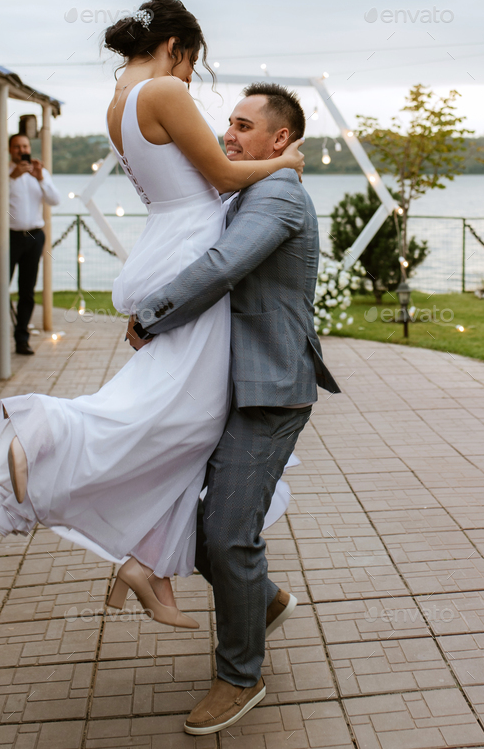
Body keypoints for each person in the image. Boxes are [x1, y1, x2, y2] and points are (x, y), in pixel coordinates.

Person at [0, 0, 305, 631]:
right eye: (191, 67)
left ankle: (148, 561)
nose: (190, 82)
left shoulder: (120, 101)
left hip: (170, 241)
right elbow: (226, 176)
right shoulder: (161, 93)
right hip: (195, 247)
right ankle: (41, 435)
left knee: (189, 420)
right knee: (188, 417)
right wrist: (285, 161)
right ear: (177, 49)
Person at [128, 82, 340, 736]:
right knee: (201, 516)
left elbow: (223, 266)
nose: (229, 134)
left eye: (244, 126)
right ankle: (265, 598)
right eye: (229, 122)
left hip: (271, 389)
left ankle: (240, 677)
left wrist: (150, 316)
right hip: (228, 386)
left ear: (281, 139)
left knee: (226, 533)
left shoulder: (276, 192)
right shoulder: (252, 184)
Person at [0, 133, 60, 361]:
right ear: (9, 150)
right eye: (17, 146)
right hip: (8, 238)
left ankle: (22, 339)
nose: (21, 150)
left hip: (34, 237)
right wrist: (12, 176)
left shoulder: (40, 172)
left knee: (27, 291)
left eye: (25, 146)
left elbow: (55, 199)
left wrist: (41, 178)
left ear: (29, 148)